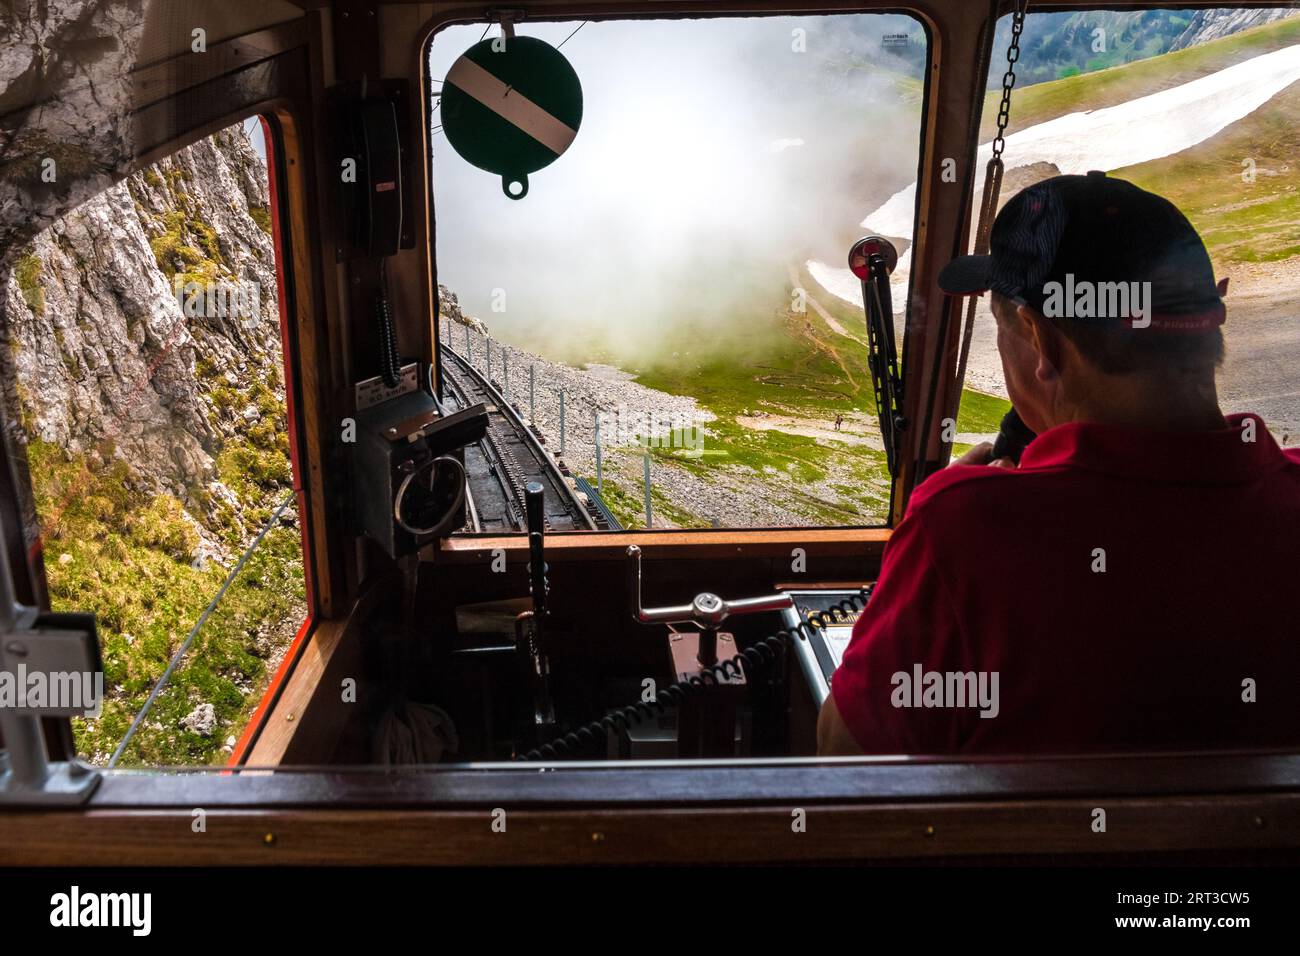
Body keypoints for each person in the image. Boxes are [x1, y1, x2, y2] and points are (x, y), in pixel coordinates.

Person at [818, 172, 1300, 756]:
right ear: (1210, 317)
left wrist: (967, 511)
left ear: (1040, 340)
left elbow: (844, 759)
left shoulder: (965, 533)